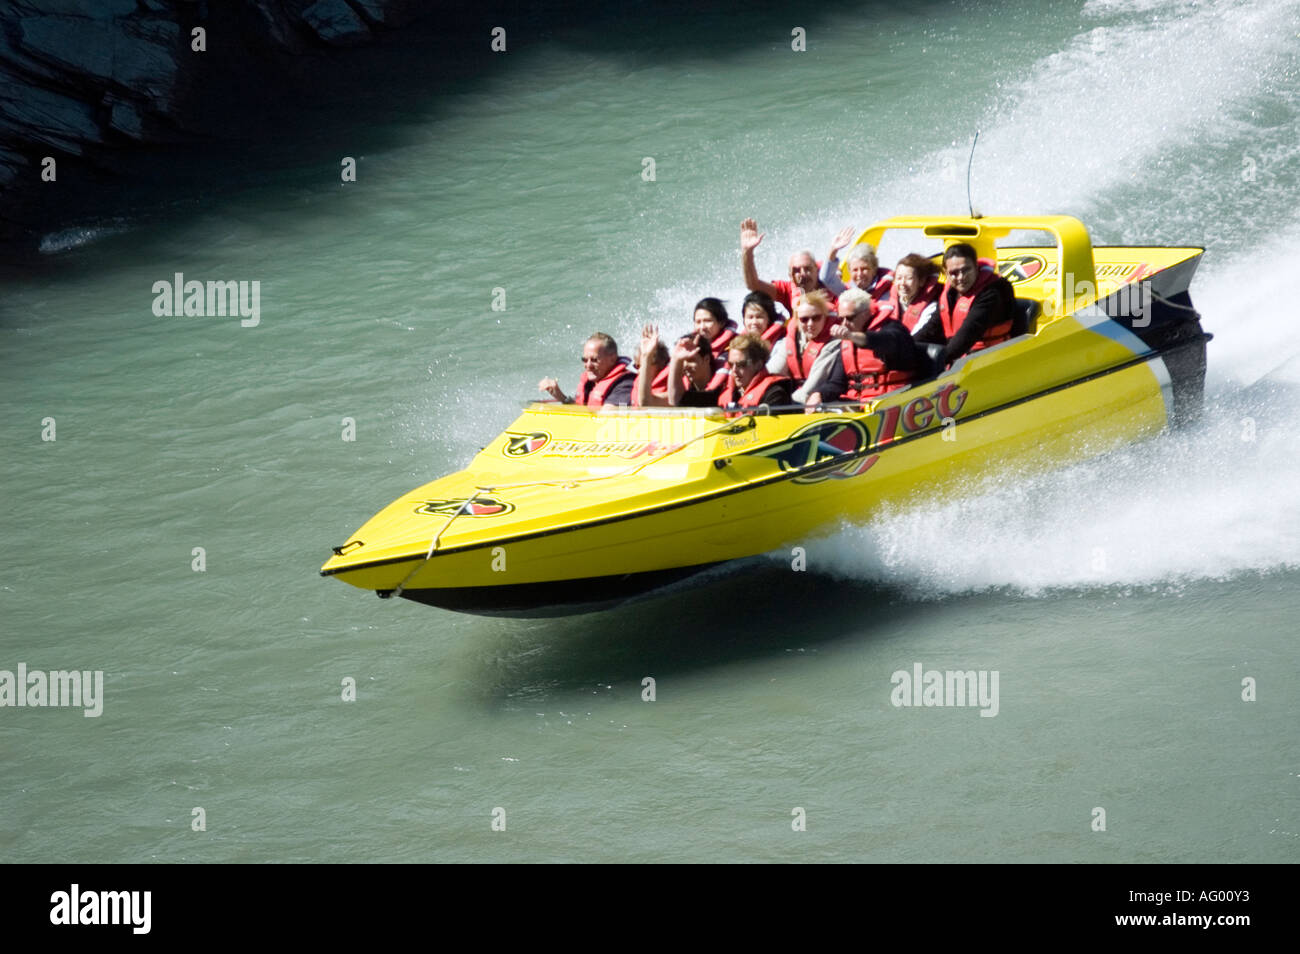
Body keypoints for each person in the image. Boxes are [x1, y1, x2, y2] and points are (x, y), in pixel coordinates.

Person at [819, 288, 933, 404]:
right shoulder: (847, 342)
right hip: (857, 403)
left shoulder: (894, 331)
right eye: (840, 319)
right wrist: (820, 395)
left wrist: (852, 336)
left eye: (849, 318)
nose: (844, 324)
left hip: (892, 403)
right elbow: (837, 383)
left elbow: (881, 341)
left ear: (866, 313)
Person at [916, 243, 1016, 365]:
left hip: (990, 359)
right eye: (954, 273)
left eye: (966, 270)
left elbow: (969, 333)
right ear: (946, 274)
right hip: (961, 356)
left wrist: (939, 361)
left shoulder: (992, 293)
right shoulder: (950, 293)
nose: (961, 277)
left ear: (976, 267)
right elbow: (932, 328)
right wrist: (907, 347)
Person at [740, 217, 834, 317]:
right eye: (797, 270)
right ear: (790, 275)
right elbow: (753, 285)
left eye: (807, 269)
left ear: (816, 269)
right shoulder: (787, 290)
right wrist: (747, 252)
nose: (802, 273)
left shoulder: (832, 283)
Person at [670, 333, 793, 409]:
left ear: (758, 364)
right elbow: (678, 399)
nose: (734, 371)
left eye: (741, 365)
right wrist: (676, 360)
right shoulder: (725, 393)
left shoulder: (774, 394)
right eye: (731, 365)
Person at [782, 290, 846, 404]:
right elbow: (773, 370)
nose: (810, 324)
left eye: (816, 318)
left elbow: (814, 383)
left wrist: (788, 405)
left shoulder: (835, 342)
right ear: (797, 320)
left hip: (818, 400)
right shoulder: (791, 339)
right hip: (794, 396)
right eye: (804, 319)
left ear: (825, 318)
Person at [538, 332, 635, 407]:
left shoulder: (625, 384)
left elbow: (605, 417)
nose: (588, 365)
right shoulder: (592, 381)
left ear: (612, 359)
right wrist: (560, 396)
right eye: (584, 360)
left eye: (594, 360)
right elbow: (583, 409)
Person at [819, 227, 892, 303]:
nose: (859, 274)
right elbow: (826, 278)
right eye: (855, 270)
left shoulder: (890, 286)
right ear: (849, 271)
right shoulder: (846, 291)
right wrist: (833, 250)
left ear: (874, 269)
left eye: (864, 269)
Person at [886, 253, 942, 332]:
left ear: (921, 281)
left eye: (909, 278)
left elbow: (918, 335)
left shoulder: (931, 307)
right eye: (899, 278)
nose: (902, 283)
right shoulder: (885, 299)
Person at [631, 327, 671, 407]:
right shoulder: (637, 382)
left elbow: (645, 403)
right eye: (637, 366)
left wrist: (646, 356)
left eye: (643, 366)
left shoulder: (674, 386)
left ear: (660, 364)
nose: (639, 371)